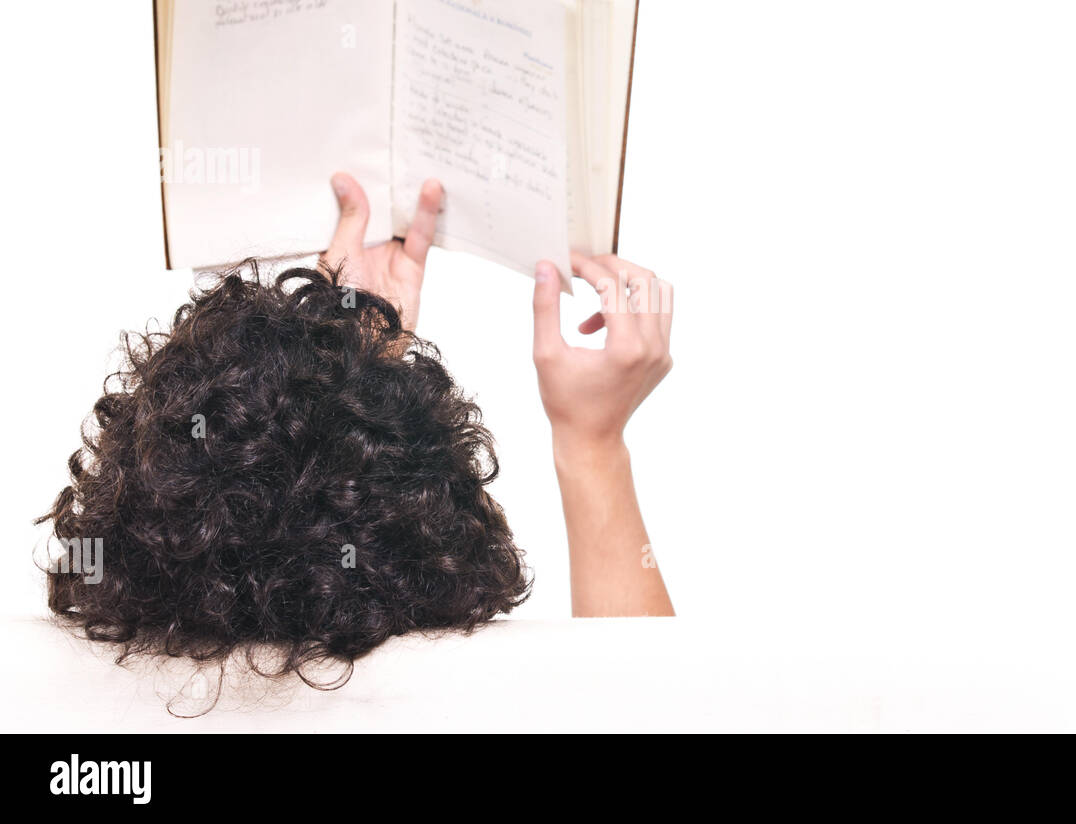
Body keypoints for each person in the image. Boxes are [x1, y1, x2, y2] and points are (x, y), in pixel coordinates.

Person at [37, 172, 673, 695]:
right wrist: (593, 444)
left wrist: (345, 358)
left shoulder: (59, 706)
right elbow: (659, 703)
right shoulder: (480, 703)